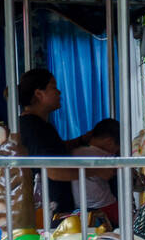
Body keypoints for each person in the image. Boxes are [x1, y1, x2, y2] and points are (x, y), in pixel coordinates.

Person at [16, 69, 113, 216]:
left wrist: (81, 140)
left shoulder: (38, 126)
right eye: (53, 87)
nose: (59, 92)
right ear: (39, 94)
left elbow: (55, 151)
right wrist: (96, 170)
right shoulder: (34, 128)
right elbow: (54, 171)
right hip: (48, 213)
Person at [71, 118, 121, 225]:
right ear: (109, 142)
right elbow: (113, 173)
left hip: (79, 207)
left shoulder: (75, 151)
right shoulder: (104, 155)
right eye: (117, 148)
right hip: (104, 207)